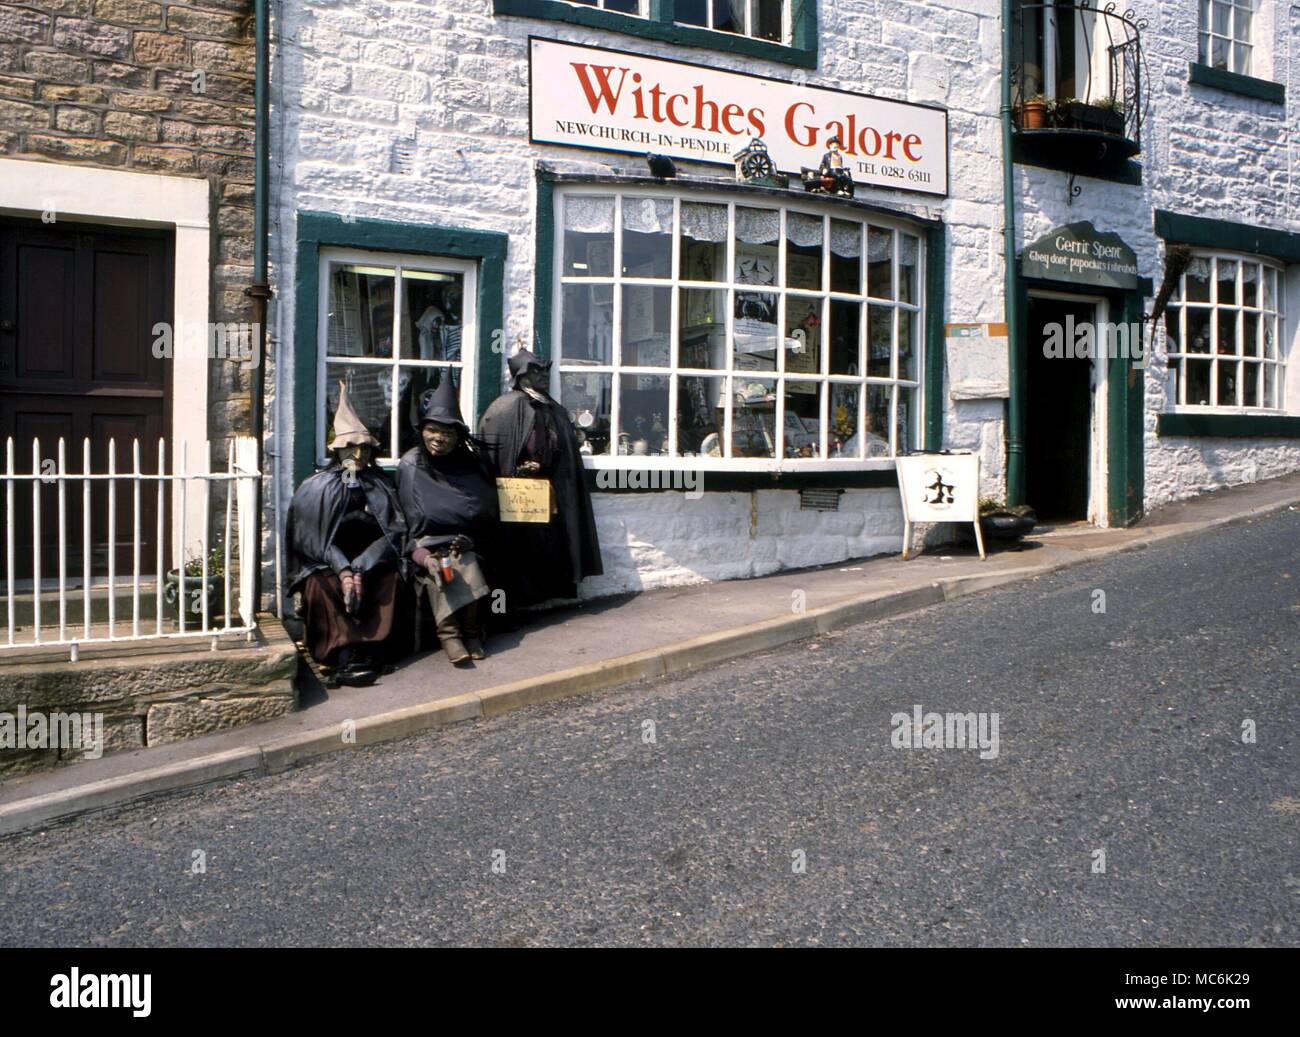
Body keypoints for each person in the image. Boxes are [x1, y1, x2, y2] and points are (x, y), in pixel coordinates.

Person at [286, 384, 406, 687]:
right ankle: (341, 657)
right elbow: (311, 538)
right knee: (318, 585)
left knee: (388, 579)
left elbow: (394, 531)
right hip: (326, 561)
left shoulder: (380, 484)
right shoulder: (317, 486)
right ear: (336, 449)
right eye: (350, 446)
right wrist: (343, 570)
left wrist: (363, 565)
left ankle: (371, 653)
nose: (358, 453)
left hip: (370, 559)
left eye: (364, 447)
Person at [478, 349, 602, 607]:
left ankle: (544, 596)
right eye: (536, 371)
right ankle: (512, 604)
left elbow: (561, 446)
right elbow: (494, 453)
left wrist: (547, 461)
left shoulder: (553, 407)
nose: (543, 376)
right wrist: (517, 466)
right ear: (522, 377)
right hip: (515, 492)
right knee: (517, 546)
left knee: (549, 542)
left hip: (549, 488)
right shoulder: (505, 408)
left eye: (545, 370)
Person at [395, 375, 498, 665]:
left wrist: (471, 539)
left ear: (458, 437)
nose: (439, 438)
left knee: (468, 562)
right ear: (422, 431)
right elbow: (404, 522)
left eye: (448, 433)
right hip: (424, 547)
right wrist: (421, 553)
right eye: (432, 430)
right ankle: (450, 636)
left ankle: (472, 632)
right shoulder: (412, 465)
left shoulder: (470, 467)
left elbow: (483, 512)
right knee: (442, 567)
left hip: (466, 545)